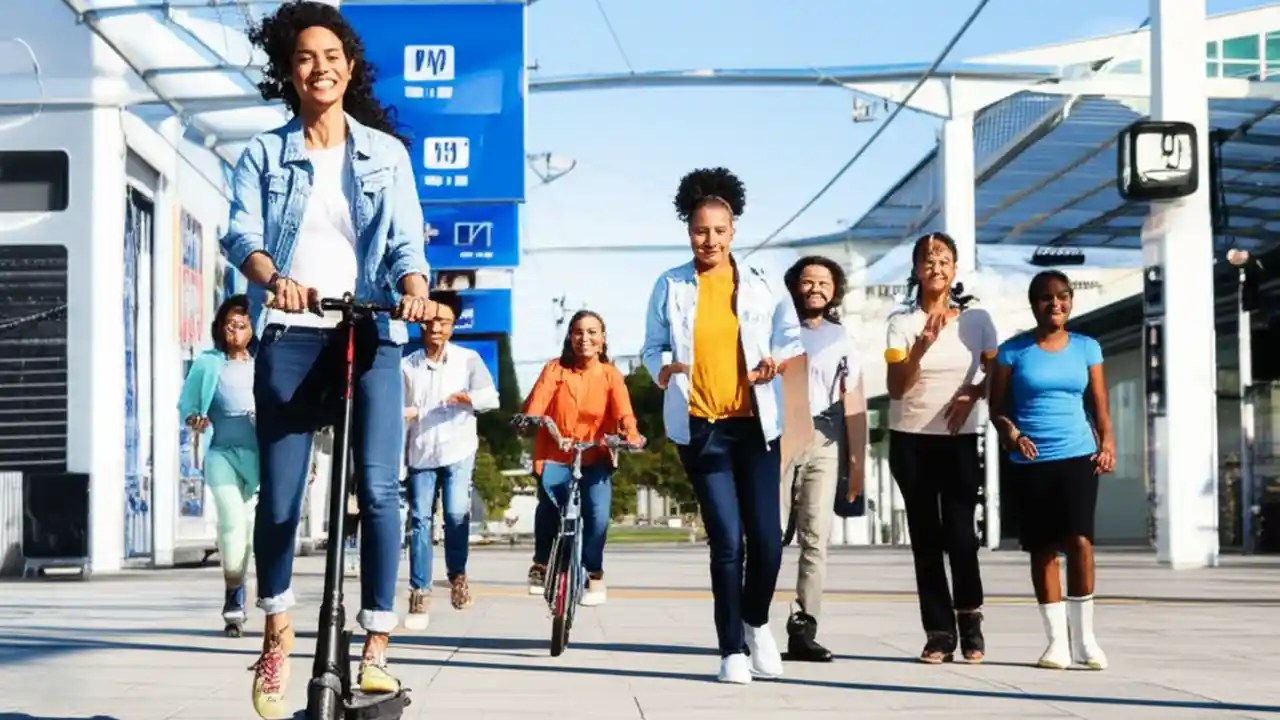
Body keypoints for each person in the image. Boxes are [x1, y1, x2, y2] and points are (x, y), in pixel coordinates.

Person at [224, 3, 437, 716]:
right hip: (291, 330)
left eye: (333, 55)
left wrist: (412, 289)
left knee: (380, 492)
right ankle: (278, 630)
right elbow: (241, 235)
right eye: (307, 57)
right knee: (281, 499)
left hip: (369, 332)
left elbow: (408, 245)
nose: (322, 67)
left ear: (350, 66)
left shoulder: (387, 155)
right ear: (290, 70)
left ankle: (377, 645)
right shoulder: (263, 153)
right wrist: (270, 276)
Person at [641, 167, 804, 684]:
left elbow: (791, 338)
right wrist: (661, 368)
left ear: (733, 231)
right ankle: (730, 648)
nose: (708, 240)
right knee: (727, 541)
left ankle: (756, 621)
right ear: (687, 231)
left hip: (756, 426)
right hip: (702, 426)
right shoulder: (669, 285)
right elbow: (650, 346)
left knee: (770, 540)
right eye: (699, 230)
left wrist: (775, 362)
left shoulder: (760, 283)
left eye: (718, 230)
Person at [988, 270, 1115, 671]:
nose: (1055, 303)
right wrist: (1011, 435)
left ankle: (1086, 641)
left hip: (1078, 454)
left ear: (1071, 301)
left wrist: (1107, 442)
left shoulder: (1087, 348)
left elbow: (1099, 404)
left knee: (1080, 541)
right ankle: (1057, 643)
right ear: (1034, 304)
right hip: (1030, 460)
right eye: (1046, 298)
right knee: (1043, 548)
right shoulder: (1012, 352)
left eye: (1062, 296)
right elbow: (997, 410)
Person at [883, 231, 997, 664]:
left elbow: (995, 372)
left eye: (944, 259)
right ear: (916, 270)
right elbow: (897, 388)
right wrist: (919, 349)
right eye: (927, 260)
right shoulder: (901, 322)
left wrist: (975, 391)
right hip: (911, 442)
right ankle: (938, 632)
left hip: (959, 441)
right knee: (926, 539)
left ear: (955, 268)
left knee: (961, 535)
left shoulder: (977, 320)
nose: (936, 266)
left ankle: (970, 617)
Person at [522, 310, 643, 607]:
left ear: (602, 339)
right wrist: (530, 419)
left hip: (596, 454)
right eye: (578, 332)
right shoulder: (555, 370)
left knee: (598, 516)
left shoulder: (611, 375)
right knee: (550, 506)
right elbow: (537, 403)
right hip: (555, 453)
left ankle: (595, 574)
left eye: (592, 332)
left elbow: (623, 412)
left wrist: (631, 434)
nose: (584, 338)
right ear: (569, 337)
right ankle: (541, 563)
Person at [778, 255, 867, 663]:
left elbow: (854, 402)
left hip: (825, 438)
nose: (815, 289)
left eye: (824, 283)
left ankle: (804, 629)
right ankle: (751, 623)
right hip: (779, 436)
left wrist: (857, 464)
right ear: (795, 285)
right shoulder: (777, 331)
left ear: (835, 291)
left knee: (816, 538)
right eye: (808, 281)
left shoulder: (843, 338)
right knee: (768, 535)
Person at [401, 290, 499, 629]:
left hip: (458, 449)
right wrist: (406, 414)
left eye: (443, 321)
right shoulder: (407, 365)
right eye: (429, 321)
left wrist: (466, 397)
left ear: (454, 325)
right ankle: (419, 590)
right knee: (419, 521)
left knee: (456, 515)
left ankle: (457, 577)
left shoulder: (468, 359)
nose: (435, 327)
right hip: (422, 453)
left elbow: (491, 398)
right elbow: (396, 410)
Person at [177, 294, 259, 634]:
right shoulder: (208, 363)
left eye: (241, 326)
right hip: (221, 451)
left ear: (253, 329)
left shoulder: (264, 364)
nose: (234, 332)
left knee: (252, 526)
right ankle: (233, 596)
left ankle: (249, 587)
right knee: (231, 520)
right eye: (229, 325)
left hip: (257, 456)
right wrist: (193, 420)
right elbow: (187, 405)